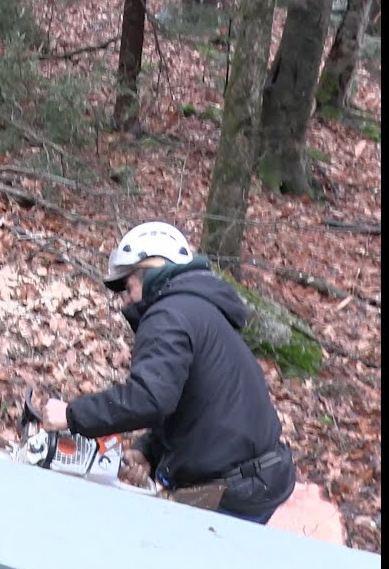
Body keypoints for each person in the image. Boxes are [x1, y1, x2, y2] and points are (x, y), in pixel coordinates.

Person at [39, 221, 297, 524]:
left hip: (235, 489)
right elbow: (193, 403)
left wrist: (71, 414)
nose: (126, 299)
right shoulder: (196, 310)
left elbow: (149, 399)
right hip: (252, 478)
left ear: (151, 273)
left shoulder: (168, 314)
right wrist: (149, 452)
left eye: (129, 285)